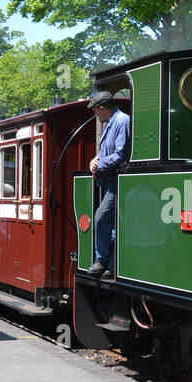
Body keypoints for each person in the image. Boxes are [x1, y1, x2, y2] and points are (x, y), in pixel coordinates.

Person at [85, 91, 130, 278]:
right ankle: (110, 265)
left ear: (103, 109)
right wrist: (94, 160)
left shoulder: (122, 122)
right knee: (110, 224)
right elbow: (105, 152)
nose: (96, 116)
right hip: (109, 180)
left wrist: (100, 162)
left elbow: (121, 154)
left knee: (100, 218)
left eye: (96, 112)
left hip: (117, 181)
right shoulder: (110, 124)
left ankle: (102, 259)